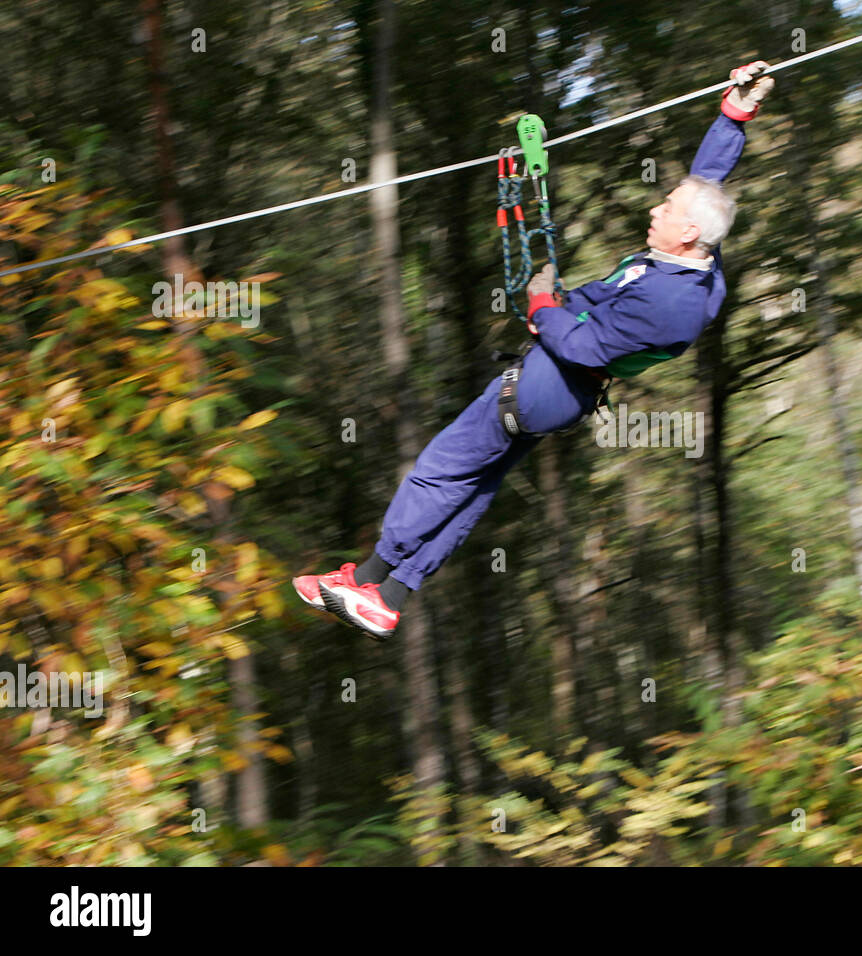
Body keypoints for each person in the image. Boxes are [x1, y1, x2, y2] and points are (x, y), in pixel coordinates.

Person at [293, 60, 776, 638]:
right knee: (475, 486)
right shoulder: (697, 261)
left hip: (549, 385)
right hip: (557, 395)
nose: (655, 210)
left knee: (439, 472)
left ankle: (365, 577)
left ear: (690, 232)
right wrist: (736, 113)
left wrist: (544, 305)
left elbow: (582, 346)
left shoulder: (673, 303)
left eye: (665, 209)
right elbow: (708, 179)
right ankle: (387, 594)